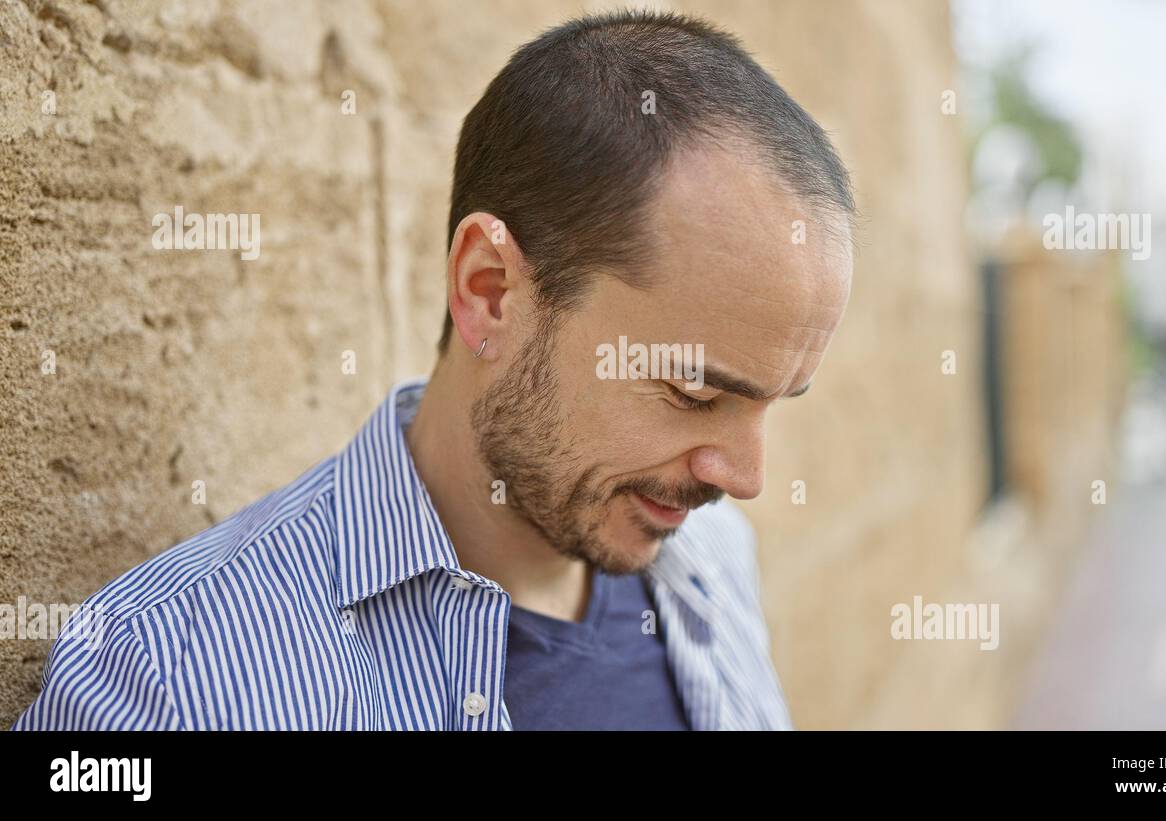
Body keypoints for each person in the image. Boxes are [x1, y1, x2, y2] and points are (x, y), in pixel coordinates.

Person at [12, 8, 854, 731]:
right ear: (490, 292)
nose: (745, 478)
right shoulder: (165, 682)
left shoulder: (708, 558)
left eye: (774, 401)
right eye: (695, 391)